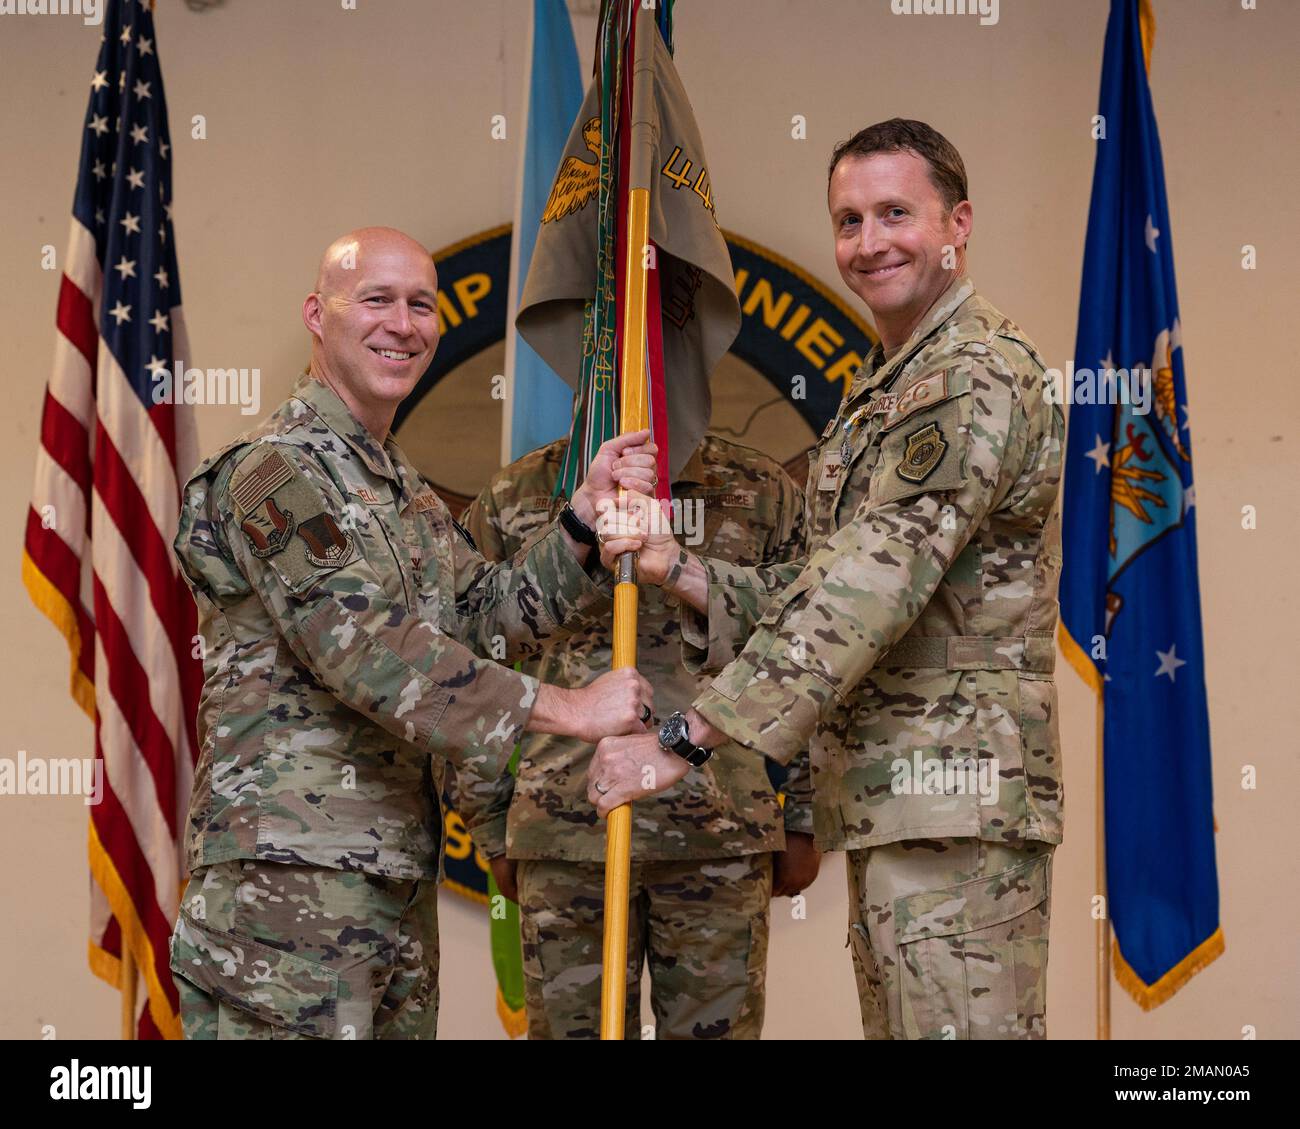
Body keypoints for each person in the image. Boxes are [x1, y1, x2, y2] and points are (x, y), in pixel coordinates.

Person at [590, 119, 1065, 1040]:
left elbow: (867, 590)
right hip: (901, 803)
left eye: (896, 213)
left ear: (958, 223)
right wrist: (675, 566)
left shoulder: (968, 376)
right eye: (849, 220)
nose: (869, 241)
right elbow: (821, 583)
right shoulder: (886, 383)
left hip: (955, 806)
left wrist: (683, 738)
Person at [169, 226, 657, 1040]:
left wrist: (579, 520)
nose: (405, 323)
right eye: (377, 300)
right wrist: (571, 709)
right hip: (287, 884)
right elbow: (365, 651)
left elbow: (480, 619)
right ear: (317, 316)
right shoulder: (271, 474)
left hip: (390, 874)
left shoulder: (403, 494)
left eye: (422, 305)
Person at [454, 432, 819, 1039]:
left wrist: (805, 812)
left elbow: (811, 638)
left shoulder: (761, 490)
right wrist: (492, 823)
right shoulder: (515, 495)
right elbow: (468, 655)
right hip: (567, 834)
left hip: (721, 830)